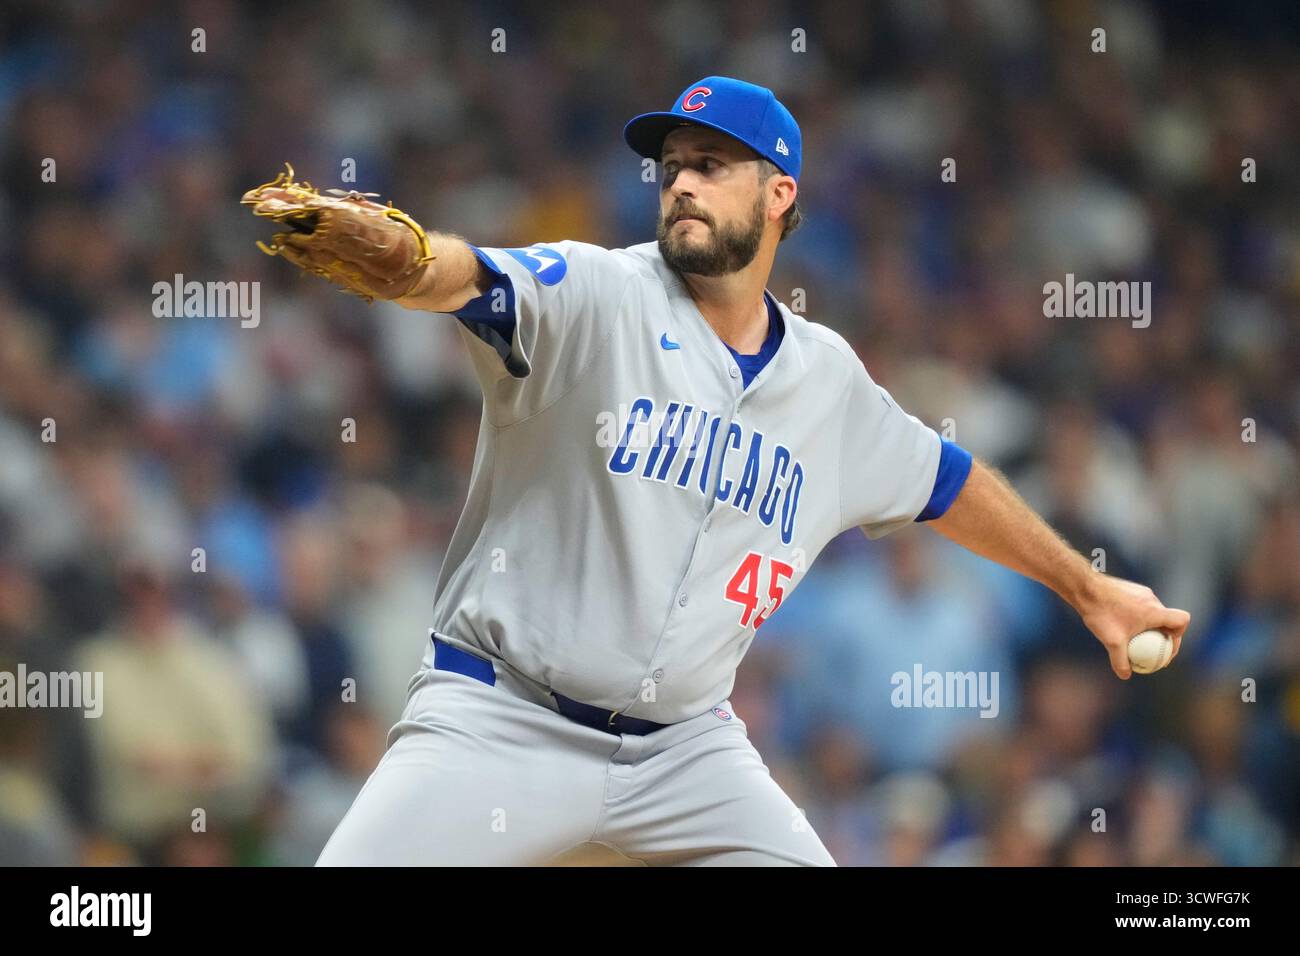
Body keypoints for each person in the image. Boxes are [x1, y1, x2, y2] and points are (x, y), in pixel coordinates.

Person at [311, 76, 1190, 866]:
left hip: (685, 751)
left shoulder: (827, 381)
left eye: (712, 164)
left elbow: (950, 484)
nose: (682, 182)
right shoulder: (599, 293)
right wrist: (417, 263)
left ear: (780, 193)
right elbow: (477, 280)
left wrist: (1088, 591)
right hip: (503, 717)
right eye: (672, 167)